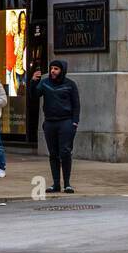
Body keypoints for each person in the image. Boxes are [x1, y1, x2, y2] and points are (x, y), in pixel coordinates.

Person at [30, 60, 80, 194]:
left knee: (65, 152)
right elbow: (34, 95)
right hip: (50, 122)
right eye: (51, 68)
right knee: (53, 154)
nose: (53, 71)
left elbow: (76, 105)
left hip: (66, 122)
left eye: (56, 69)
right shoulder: (45, 83)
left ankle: (67, 184)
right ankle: (56, 184)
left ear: (62, 70)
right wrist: (33, 82)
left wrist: (74, 122)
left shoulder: (70, 85)